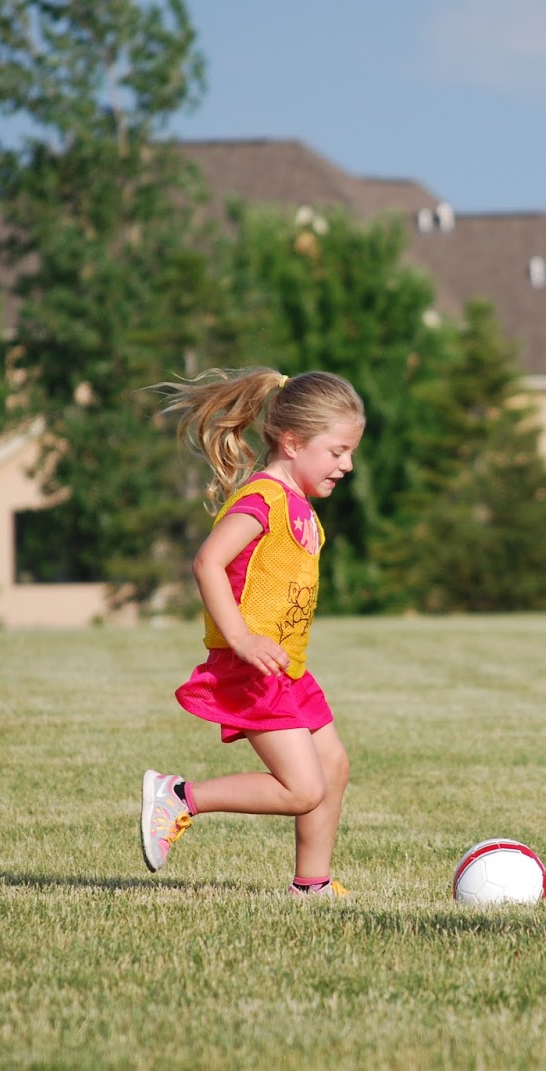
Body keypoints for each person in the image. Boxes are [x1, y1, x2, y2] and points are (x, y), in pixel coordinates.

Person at [140, 367, 365, 897]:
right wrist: (240, 639)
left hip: (286, 671)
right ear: (292, 442)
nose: (347, 465)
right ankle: (179, 796)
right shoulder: (261, 500)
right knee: (302, 788)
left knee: (333, 764)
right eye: (336, 452)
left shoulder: (299, 505)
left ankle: (312, 884)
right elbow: (207, 563)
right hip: (251, 670)